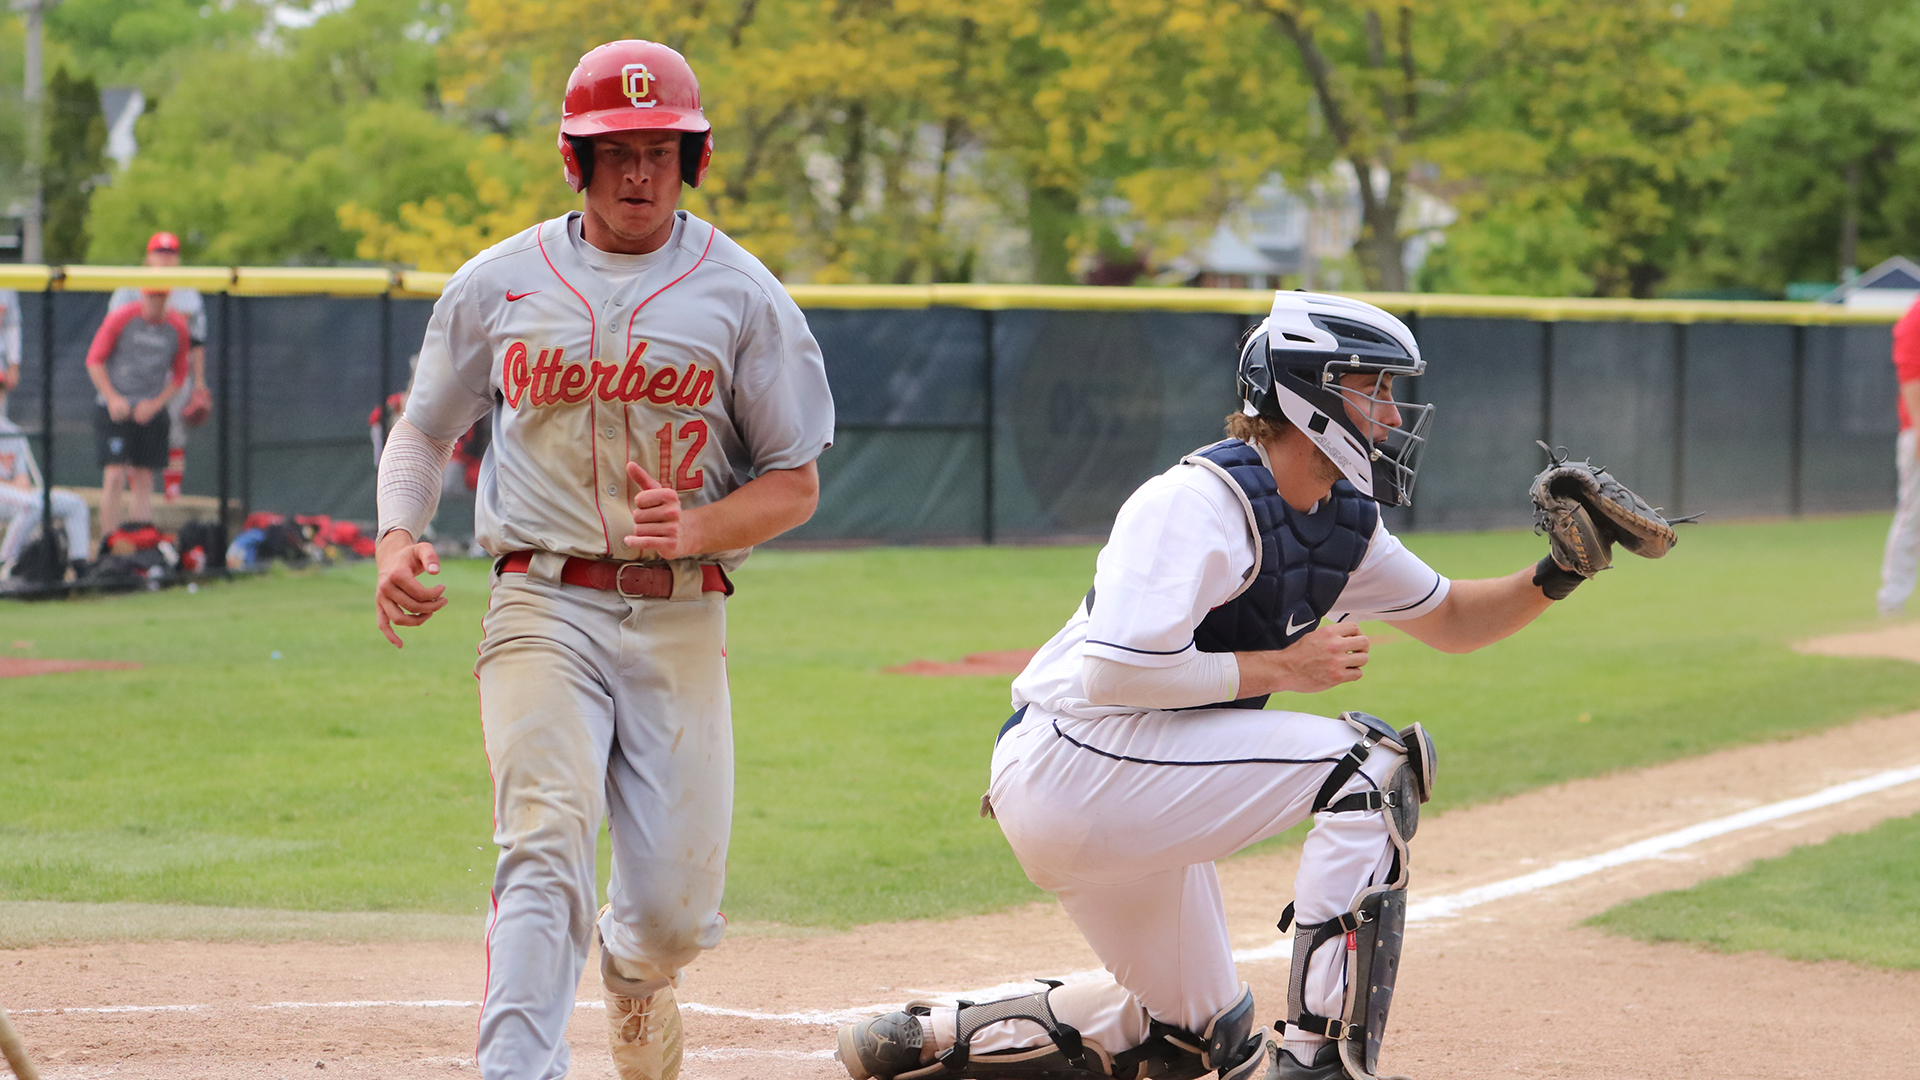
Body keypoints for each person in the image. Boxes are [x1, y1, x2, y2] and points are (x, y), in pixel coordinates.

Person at [837, 292, 1593, 1080]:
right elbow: (1114, 672)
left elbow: (1455, 620)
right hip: (1075, 761)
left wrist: (1563, 569)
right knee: (1368, 770)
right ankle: (1314, 1063)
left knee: (1196, 1035)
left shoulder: (1341, 523)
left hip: (1129, 781)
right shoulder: (1194, 502)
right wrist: (1285, 669)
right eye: (1375, 388)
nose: (1394, 416)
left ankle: (931, 1038)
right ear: (1313, 394)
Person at [371, 39, 833, 1080]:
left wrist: (706, 527)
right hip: (539, 601)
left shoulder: (742, 295)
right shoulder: (499, 282)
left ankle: (632, 979)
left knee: (670, 916)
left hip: (679, 614)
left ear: (692, 159)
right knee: (542, 845)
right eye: (615, 151)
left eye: (661, 151)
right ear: (575, 160)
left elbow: (795, 481)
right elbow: (422, 432)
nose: (639, 175)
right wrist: (399, 537)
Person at [109, 231, 210, 502]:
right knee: (135, 431)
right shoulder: (131, 286)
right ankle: (138, 494)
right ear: (148, 256)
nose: (165, 258)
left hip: (173, 373)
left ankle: (172, 495)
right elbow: (112, 331)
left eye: (170, 253)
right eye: (159, 252)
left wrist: (199, 382)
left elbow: (198, 341)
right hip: (136, 374)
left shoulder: (187, 288)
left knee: (176, 432)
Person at [84, 286, 192, 539]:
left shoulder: (177, 326)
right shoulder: (122, 317)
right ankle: (110, 543)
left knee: (144, 478)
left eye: (162, 296)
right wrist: (113, 398)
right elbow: (94, 360)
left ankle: (139, 541)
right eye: (152, 296)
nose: (156, 302)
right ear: (143, 295)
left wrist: (155, 404)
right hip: (116, 408)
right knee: (114, 475)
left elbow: (179, 376)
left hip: (150, 410)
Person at [0, 290, 89, 580]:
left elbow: (23, 480)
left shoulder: (10, 431)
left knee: (75, 504)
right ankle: (6, 566)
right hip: (12, 496)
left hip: (15, 495)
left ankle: (80, 568)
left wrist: (15, 484)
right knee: (29, 505)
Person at [1878, 294, 1920, 616]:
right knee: (1914, 517)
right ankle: (1892, 601)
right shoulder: (1916, 316)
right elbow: (1910, 372)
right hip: (1918, 428)